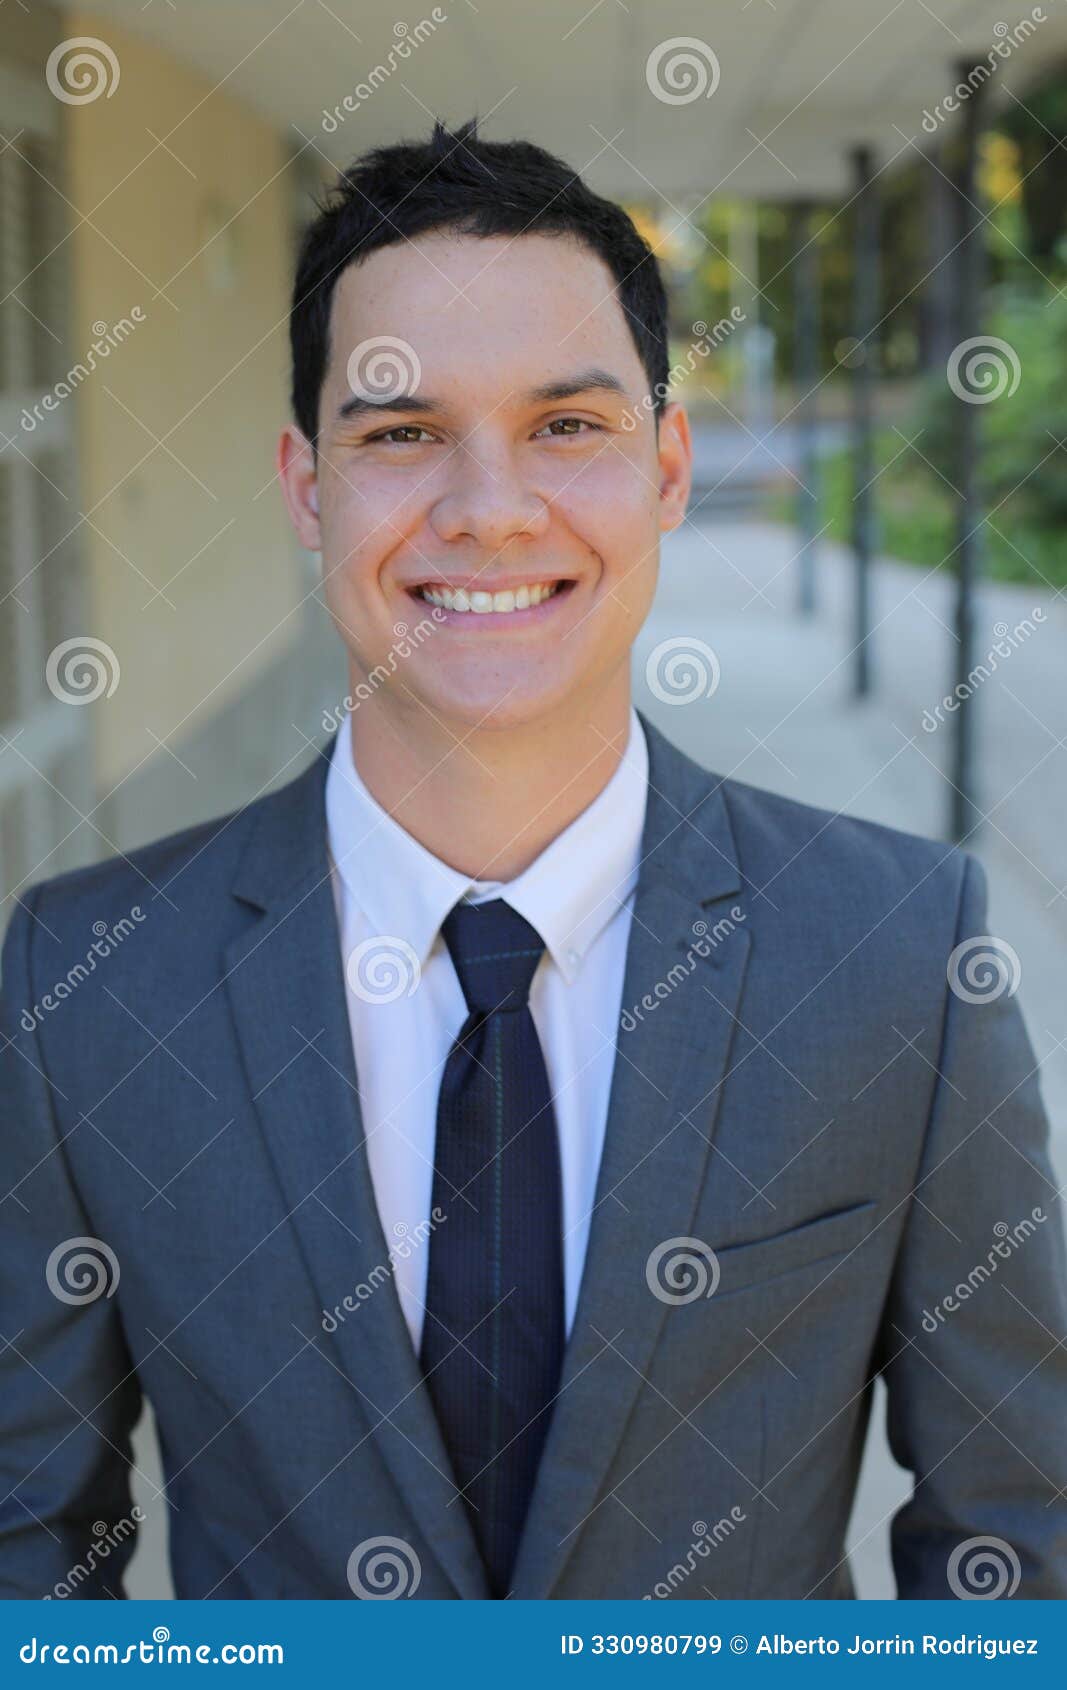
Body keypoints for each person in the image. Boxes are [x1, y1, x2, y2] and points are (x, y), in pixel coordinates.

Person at [1, 119, 1064, 1602]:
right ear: (309, 485)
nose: (489, 507)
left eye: (567, 425)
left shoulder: (898, 953)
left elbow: (1021, 1549)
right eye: (400, 430)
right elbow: (21, 1549)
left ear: (668, 468)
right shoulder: (91, 983)